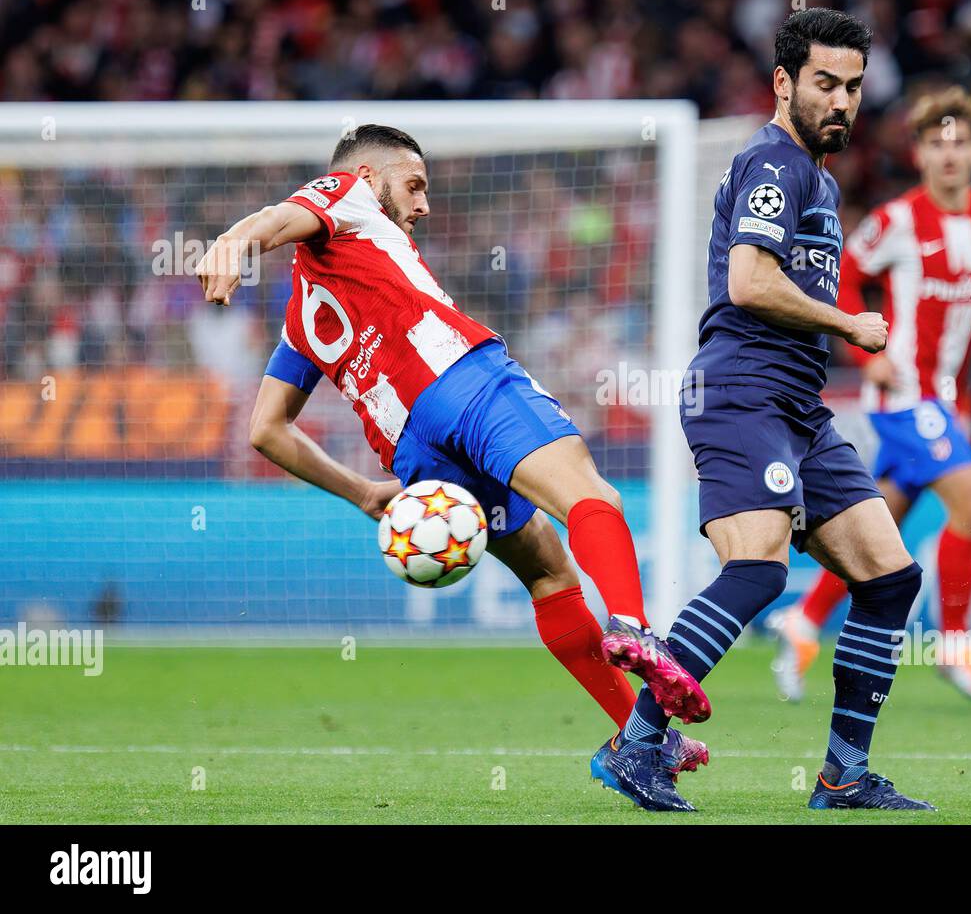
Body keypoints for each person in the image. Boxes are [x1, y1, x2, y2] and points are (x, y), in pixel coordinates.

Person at [195, 123, 711, 775]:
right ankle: (634, 628)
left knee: (550, 577)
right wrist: (237, 240)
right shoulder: (348, 194)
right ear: (369, 179)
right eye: (413, 186)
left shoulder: (301, 317)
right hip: (459, 376)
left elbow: (264, 429)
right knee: (590, 495)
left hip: (414, 456)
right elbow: (279, 216)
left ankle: (640, 744)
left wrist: (362, 494)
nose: (423, 205)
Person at [589, 9, 934, 812]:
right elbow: (747, 282)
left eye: (852, 86)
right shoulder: (775, 165)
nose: (841, 101)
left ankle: (844, 774)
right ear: (783, 83)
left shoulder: (819, 176)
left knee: (888, 578)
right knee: (757, 571)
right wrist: (852, 323)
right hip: (741, 390)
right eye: (824, 84)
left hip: (796, 405)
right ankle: (635, 746)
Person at [768, 86, 971, 703]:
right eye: (935, 144)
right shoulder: (896, 221)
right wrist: (868, 346)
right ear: (918, 154)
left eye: (960, 142)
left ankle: (805, 623)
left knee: (878, 528)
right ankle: (953, 644)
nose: (948, 155)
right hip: (905, 398)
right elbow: (840, 276)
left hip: (950, 404)